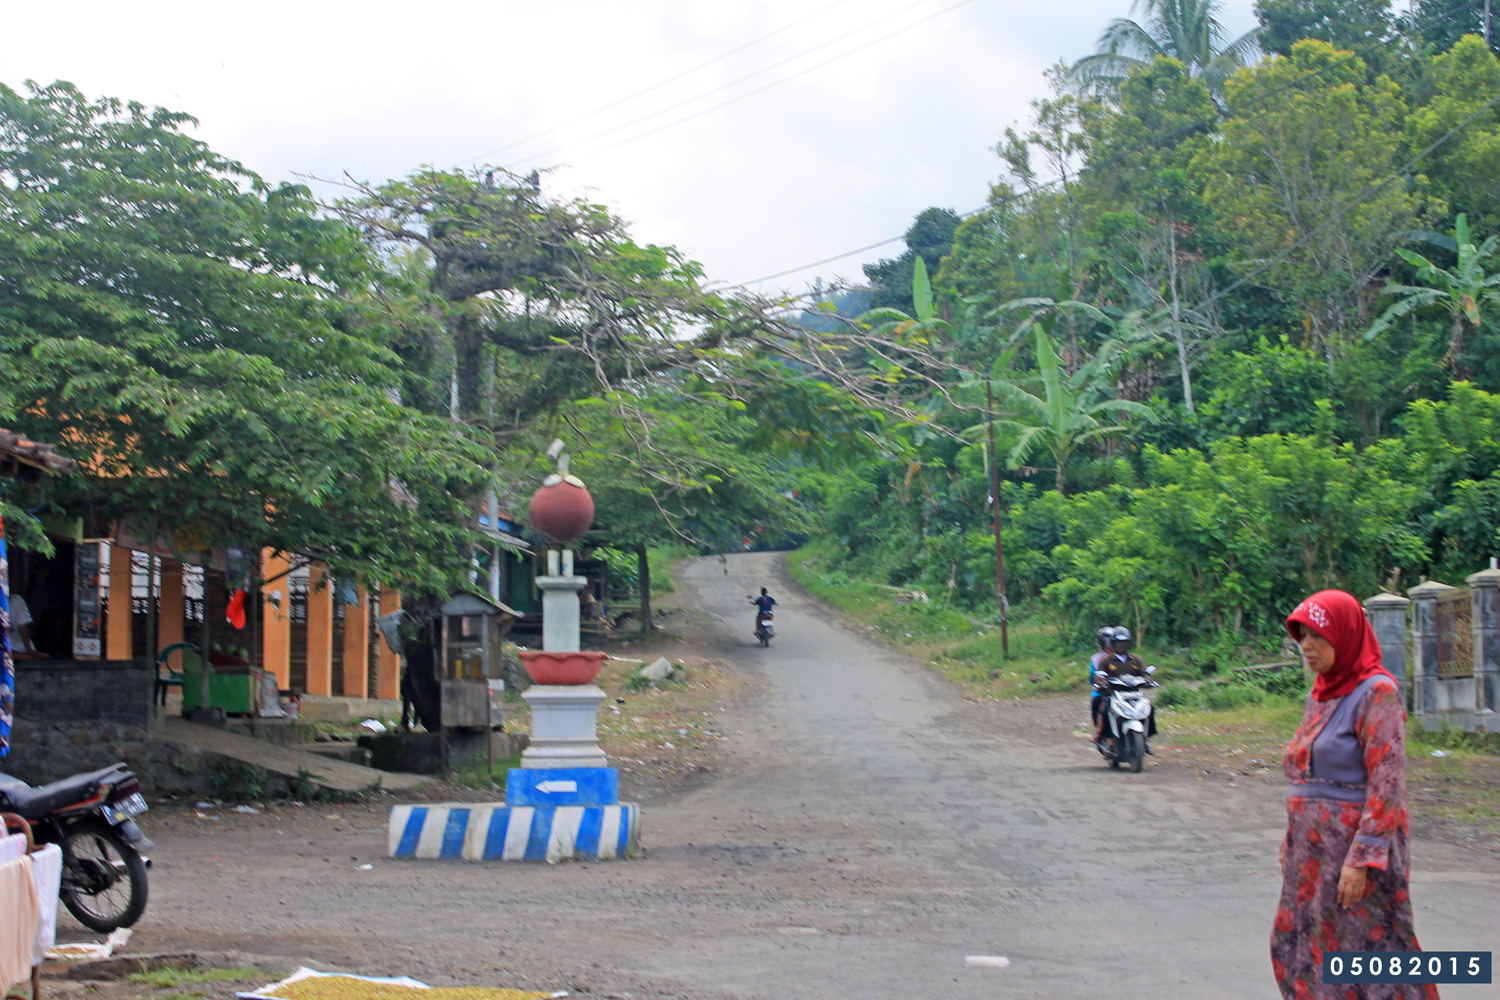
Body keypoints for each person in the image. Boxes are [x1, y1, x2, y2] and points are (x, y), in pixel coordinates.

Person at [1272, 590, 1437, 1000]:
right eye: (1301, 636)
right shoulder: (1321, 693)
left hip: (1353, 856)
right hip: (1311, 857)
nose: (1307, 646)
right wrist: (1290, 839)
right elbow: (1306, 772)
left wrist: (1362, 859)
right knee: (1299, 941)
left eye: (1318, 636)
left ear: (1345, 635)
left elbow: (1387, 781)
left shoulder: (1376, 692)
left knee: (1358, 953)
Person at [1093, 626, 1152, 746]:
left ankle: (1146, 737)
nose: (1121, 646)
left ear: (1128, 644)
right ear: (1113, 644)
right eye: (1119, 643)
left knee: (1149, 708)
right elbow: (1099, 675)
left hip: (1134, 693)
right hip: (1113, 694)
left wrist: (1148, 679)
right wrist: (1101, 681)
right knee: (1106, 710)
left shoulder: (1136, 659)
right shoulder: (1107, 660)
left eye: (1124, 643)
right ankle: (1109, 740)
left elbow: (1144, 673)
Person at [1089, 626, 1115, 738]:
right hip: (1103, 691)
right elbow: (1092, 677)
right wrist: (1099, 683)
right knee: (1096, 702)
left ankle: (1144, 738)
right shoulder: (1096, 659)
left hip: (1122, 689)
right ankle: (1098, 731)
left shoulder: (1123, 656)